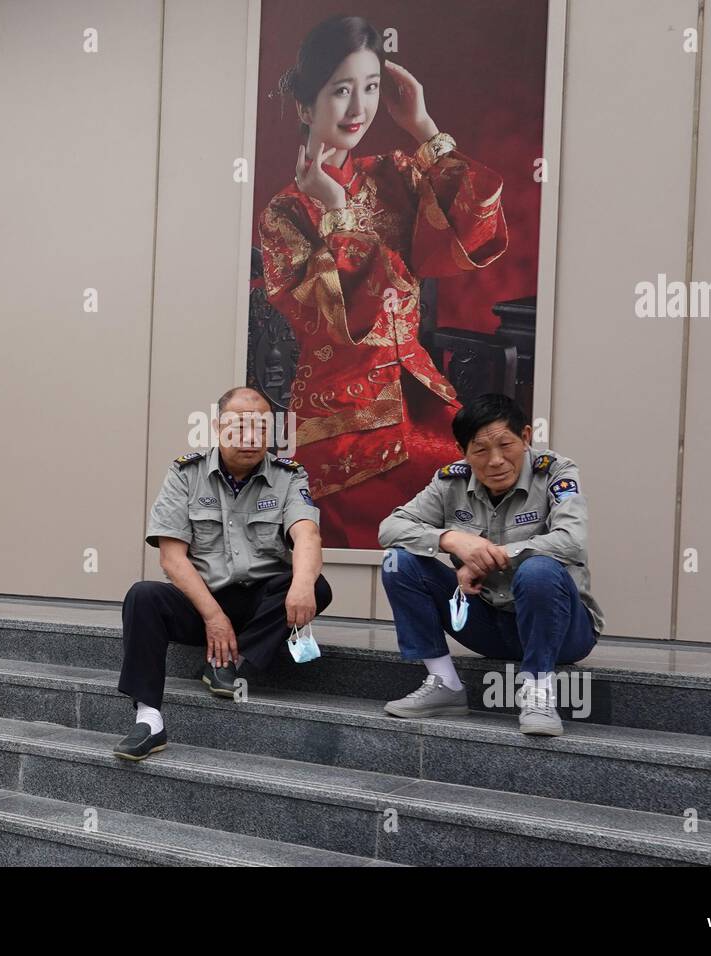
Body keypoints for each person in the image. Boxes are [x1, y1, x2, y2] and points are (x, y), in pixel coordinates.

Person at [259, 14, 508, 550]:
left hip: (420, 391)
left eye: (370, 88)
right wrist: (337, 209)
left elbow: (475, 229)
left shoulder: (396, 171)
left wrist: (423, 128)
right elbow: (345, 322)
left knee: (484, 474)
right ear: (305, 105)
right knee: (437, 480)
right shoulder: (285, 213)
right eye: (341, 90)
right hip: (338, 411)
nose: (359, 108)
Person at [115, 387, 332, 760]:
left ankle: (231, 662)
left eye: (260, 428)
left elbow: (306, 533)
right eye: (239, 427)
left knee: (316, 585)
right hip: (202, 602)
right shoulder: (186, 473)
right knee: (143, 596)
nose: (250, 438)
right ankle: (149, 719)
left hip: (258, 607)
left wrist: (301, 584)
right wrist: (213, 616)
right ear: (217, 427)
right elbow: (172, 558)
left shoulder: (289, 476)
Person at [378, 393, 603, 736]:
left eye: (506, 445)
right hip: (487, 624)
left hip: (564, 632)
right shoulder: (450, 482)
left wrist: (486, 558)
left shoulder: (556, 471)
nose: (495, 461)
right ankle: (444, 683)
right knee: (398, 561)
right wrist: (452, 541)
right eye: (480, 450)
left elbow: (571, 540)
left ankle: (539, 693)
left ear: (526, 437)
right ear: (463, 452)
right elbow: (389, 528)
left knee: (538, 569)